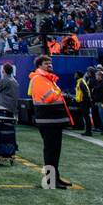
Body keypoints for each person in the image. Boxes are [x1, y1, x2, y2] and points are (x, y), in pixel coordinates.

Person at [29, 54, 74, 189]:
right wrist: (58, 92)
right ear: (39, 66)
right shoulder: (38, 79)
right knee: (50, 151)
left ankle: (55, 178)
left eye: (50, 63)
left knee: (55, 151)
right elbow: (49, 97)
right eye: (46, 63)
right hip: (48, 120)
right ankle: (51, 180)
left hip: (53, 120)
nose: (50, 65)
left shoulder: (48, 79)